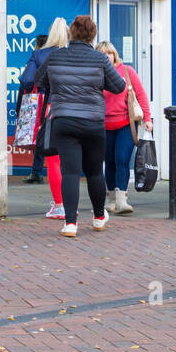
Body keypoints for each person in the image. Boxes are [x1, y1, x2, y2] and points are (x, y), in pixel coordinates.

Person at [35, 15, 126, 236]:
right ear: (92, 35)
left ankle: (70, 223)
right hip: (93, 122)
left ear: (71, 33)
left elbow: (39, 81)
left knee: (70, 173)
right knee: (95, 172)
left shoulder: (55, 57)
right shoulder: (100, 59)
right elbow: (119, 86)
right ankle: (98, 217)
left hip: (64, 120)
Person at [96, 41, 150, 214]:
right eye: (102, 54)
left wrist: (147, 119)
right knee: (109, 161)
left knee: (121, 159)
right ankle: (111, 200)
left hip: (126, 124)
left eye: (109, 53)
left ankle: (121, 201)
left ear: (114, 54)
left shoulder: (127, 71)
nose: (106, 56)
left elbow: (141, 95)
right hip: (103, 125)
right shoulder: (95, 73)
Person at [29, 18, 71, 219]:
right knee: (71, 160)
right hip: (76, 109)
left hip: (51, 109)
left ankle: (60, 205)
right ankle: (72, 205)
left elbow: (29, 80)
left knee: (54, 159)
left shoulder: (40, 54)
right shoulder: (74, 54)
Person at [17, 33, 49, 183]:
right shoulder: (57, 56)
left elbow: (27, 82)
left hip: (37, 102)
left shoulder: (36, 58)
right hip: (54, 102)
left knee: (39, 137)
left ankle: (36, 172)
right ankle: (39, 171)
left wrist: (19, 108)